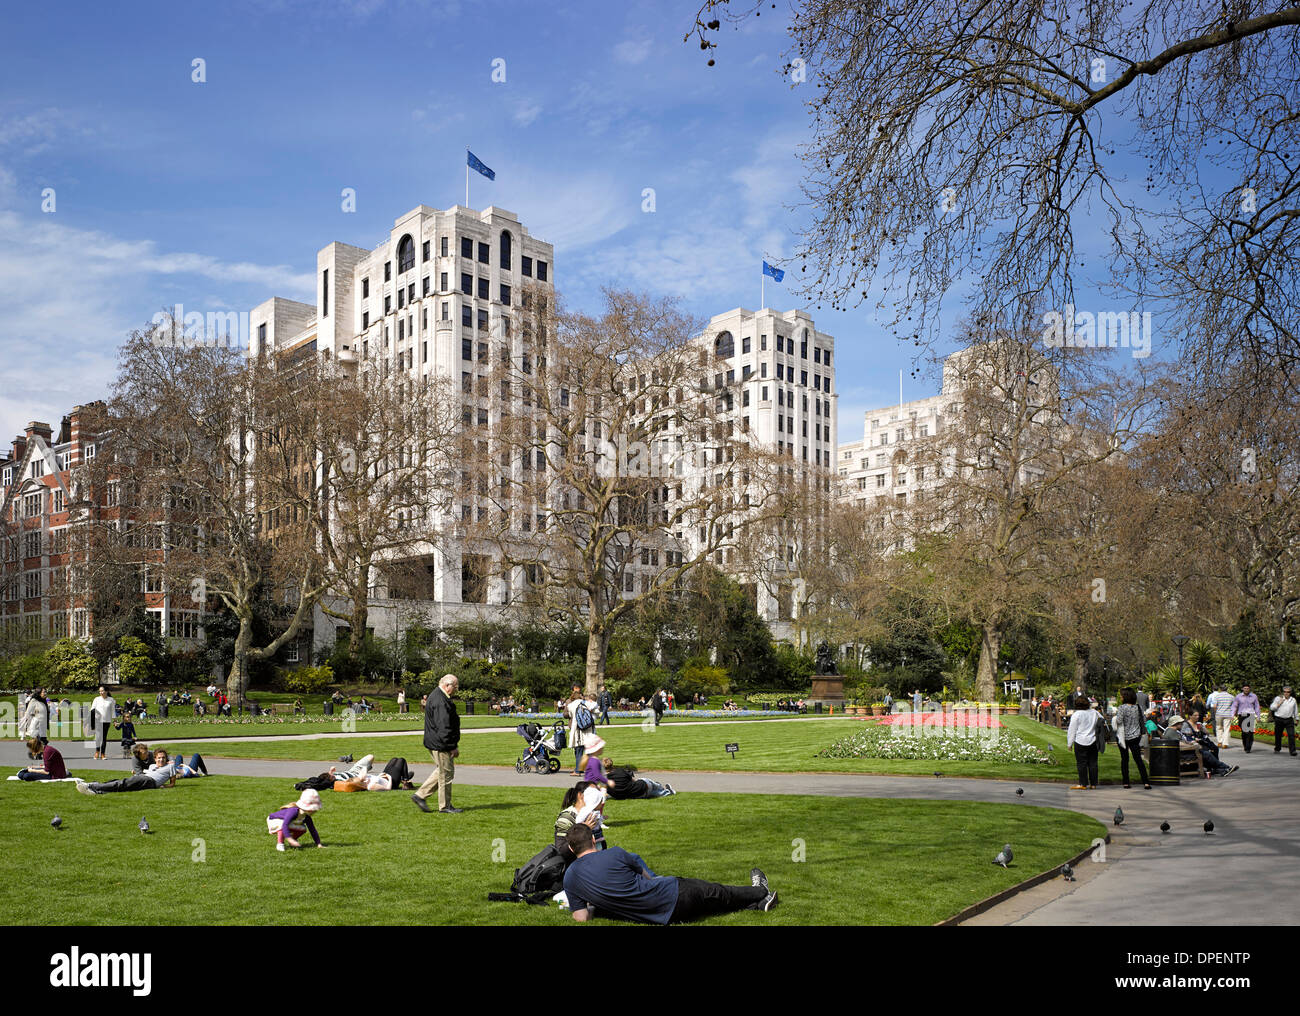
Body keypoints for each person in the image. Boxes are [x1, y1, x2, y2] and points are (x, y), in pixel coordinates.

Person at [561, 824, 775, 923]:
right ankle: (759, 891)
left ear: (571, 849)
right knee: (720, 892)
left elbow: (581, 918)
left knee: (716, 903)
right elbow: (649, 879)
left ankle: (756, 904)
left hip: (664, 916)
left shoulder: (570, 877)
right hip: (673, 894)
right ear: (593, 840)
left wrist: (595, 903)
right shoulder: (615, 853)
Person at [412, 674, 461, 813]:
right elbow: (444, 726)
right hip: (440, 743)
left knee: (442, 771)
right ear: (447, 685)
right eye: (455, 687)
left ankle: (420, 795)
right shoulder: (440, 700)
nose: (456, 689)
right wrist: (452, 746)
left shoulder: (438, 696)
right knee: (446, 774)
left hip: (436, 741)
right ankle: (444, 806)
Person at [76, 749, 179, 795]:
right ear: (155, 758)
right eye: (159, 758)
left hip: (149, 781)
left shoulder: (170, 766)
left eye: (163, 758)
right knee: (122, 785)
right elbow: (143, 771)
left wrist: (164, 786)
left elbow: (172, 783)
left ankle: (90, 785)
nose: (161, 760)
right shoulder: (152, 765)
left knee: (123, 783)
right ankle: (97, 791)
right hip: (144, 778)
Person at [1114, 689, 1151, 790]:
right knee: (1138, 759)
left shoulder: (1122, 708)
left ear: (1125, 697)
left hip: (1123, 736)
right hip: (1135, 736)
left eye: (1122, 696)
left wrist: (1115, 718)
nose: (1120, 697)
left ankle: (1126, 782)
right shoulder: (1137, 707)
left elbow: (1119, 720)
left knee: (1124, 760)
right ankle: (1146, 782)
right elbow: (1143, 720)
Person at [1065, 694, 1101, 789]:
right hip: (1093, 740)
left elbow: (1072, 730)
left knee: (1082, 763)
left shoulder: (1077, 714)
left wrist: (1069, 743)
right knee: (1093, 763)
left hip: (1080, 741)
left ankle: (1083, 783)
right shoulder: (1094, 712)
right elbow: (1102, 720)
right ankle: (1093, 784)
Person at [566, 686, 599, 776]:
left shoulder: (570, 705)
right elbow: (596, 711)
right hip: (589, 730)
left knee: (578, 751)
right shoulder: (587, 703)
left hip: (578, 731)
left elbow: (568, 715)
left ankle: (578, 771)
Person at [608, 762, 675, 799]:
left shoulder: (604, 781)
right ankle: (661, 787)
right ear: (612, 765)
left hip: (635, 796)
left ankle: (667, 792)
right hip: (643, 787)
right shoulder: (620, 771)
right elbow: (634, 780)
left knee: (650, 793)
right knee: (646, 782)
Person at [1232, 684, 1262, 753]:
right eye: (1245, 688)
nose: (1246, 690)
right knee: (1244, 732)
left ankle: (1248, 747)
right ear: (1242, 689)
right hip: (1242, 715)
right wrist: (1232, 715)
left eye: (1247, 688)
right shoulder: (1238, 696)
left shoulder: (1254, 696)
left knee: (1250, 732)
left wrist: (1258, 716)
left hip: (1250, 714)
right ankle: (1245, 745)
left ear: (1250, 689)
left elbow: (1257, 706)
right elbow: (1234, 706)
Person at [1205, 684, 1235, 749]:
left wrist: (1216, 712)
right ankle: (1225, 743)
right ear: (1227, 689)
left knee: (1219, 728)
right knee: (1226, 729)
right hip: (1227, 714)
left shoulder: (1217, 696)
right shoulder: (1231, 697)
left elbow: (1215, 706)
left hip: (1219, 714)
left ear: (1220, 689)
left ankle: (1219, 742)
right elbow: (1234, 706)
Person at [1270, 685, 1298, 756]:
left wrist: (1297, 719)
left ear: (1290, 692)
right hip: (1279, 719)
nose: (1286, 693)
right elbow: (1272, 708)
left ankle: (1292, 751)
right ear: (1283, 692)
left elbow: (1295, 710)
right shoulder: (1278, 698)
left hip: (1289, 720)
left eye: (1288, 692)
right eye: (1285, 692)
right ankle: (1277, 748)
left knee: (1291, 735)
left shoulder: (1293, 700)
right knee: (1278, 735)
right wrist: (1279, 703)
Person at [90, 686, 115, 760]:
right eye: (99, 691)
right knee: (98, 737)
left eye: (102, 691)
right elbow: (92, 710)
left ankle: (103, 754)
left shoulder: (111, 700)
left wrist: (114, 720)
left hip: (106, 721)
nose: (101, 692)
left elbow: (113, 711)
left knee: (104, 738)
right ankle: (97, 751)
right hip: (98, 721)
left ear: (106, 691)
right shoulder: (96, 699)